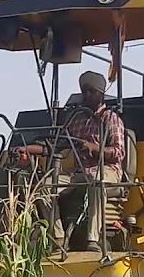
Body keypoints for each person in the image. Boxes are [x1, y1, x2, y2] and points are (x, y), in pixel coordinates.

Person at [11, 70, 126, 252]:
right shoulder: (76, 120)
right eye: (84, 91)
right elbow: (55, 146)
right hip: (80, 173)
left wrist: (94, 148)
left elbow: (119, 153)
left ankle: (93, 239)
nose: (86, 95)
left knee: (98, 181)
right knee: (45, 187)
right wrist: (26, 148)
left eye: (91, 91)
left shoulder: (111, 119)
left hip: (107, 171)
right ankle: (58, 237)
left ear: (101, 93)